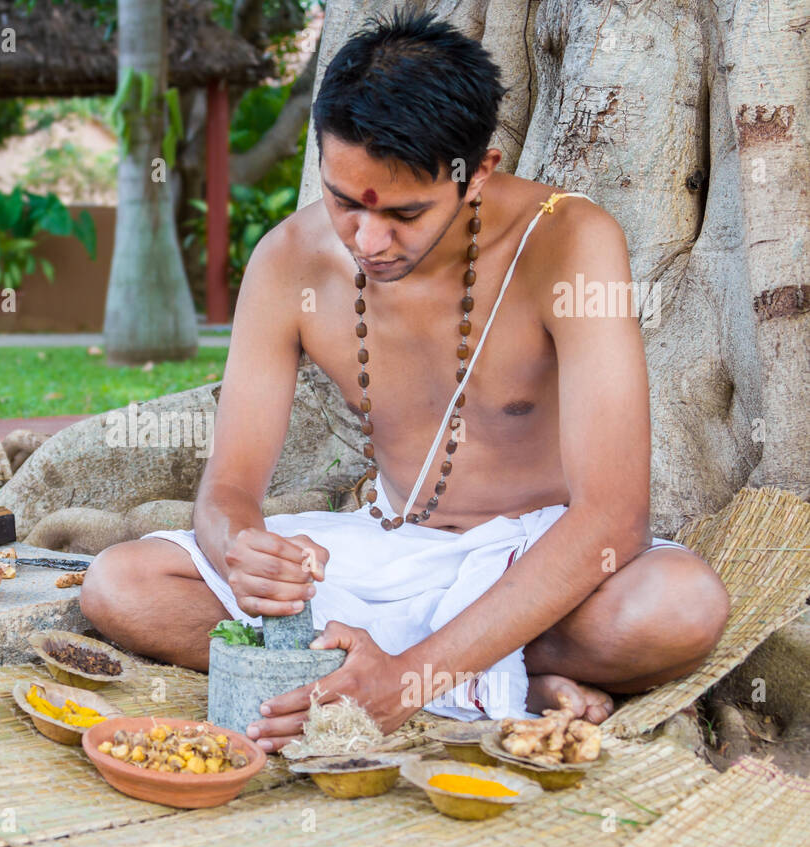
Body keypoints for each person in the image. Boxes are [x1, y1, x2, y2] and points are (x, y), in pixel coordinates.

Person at [79, 9, 729, 754]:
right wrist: (242, 553)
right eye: (344, 201)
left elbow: (612, 522)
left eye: (407, 213)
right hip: (386, 552)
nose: (369, 241)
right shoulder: (287, 261)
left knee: (680, 608)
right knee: (122, 583)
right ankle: (491, 678)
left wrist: (406, 680)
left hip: (541, 564)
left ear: (476, 173)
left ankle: (430, 674)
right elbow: (227, 492)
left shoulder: (572, 240)